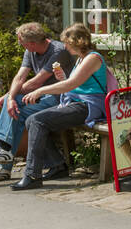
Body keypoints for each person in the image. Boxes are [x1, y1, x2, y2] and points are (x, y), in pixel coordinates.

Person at [11, 22, 108, 191]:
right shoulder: (81, 59)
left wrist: (40, 91)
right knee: (31, 120)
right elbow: (74, 84)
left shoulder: (93, 58)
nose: (64, 45)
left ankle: (33, 175)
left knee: (37, 121)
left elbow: (71, 85)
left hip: (88, 106)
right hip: (76, 102)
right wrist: (62, 77)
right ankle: (57, 165)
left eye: (67, 42)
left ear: (78, 41)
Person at [0, 22, 76, 182]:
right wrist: (10, 97)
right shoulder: (30, 51)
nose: (20, 45)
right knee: (15, 105)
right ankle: (5, 154)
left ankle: (3, 164)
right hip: (41, 96)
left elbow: (35, 82)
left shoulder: (58, 51)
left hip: (60, 97)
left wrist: (10, 96)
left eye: (21, 42)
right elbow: (20, 77)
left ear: (32, 43)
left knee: (21, 114)